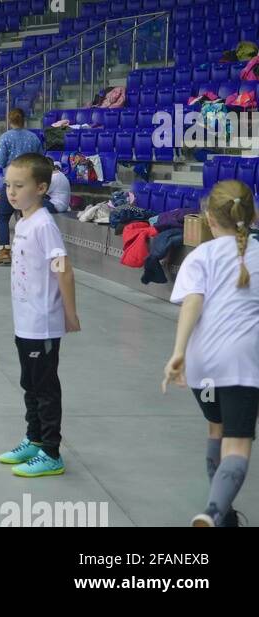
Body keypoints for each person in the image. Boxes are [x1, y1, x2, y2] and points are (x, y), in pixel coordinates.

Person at [163, 180, 259, 527]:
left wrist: (178, 352)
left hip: (203, 362)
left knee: (216, 431)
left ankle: (227, 517)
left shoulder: (200, 256)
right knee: (237, 444)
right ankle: (213, 512)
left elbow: (193, 302)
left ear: (208, 218)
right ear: (253, 215)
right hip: (242, 363)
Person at [0, 154, 80, 478]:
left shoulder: (44, 224)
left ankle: (51, 452)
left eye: (20, 186)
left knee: (45, 389)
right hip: (25, 321)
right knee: (29, 384)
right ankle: (33, 439)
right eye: (8, 186)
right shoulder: (23, 221)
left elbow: (64, 269)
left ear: (42, 188)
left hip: (43, 323)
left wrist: (70, 314)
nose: (12, 192)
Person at [0, 108, 43, 266]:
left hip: (11, 184)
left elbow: (0, 161)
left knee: (3, 218)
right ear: (24, 120)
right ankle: (31, 252)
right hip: (30, 184)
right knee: (28, 218)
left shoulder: (5, 138)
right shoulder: (34, 138)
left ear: (9, 120)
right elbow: (41, 159)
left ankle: (4, 252)